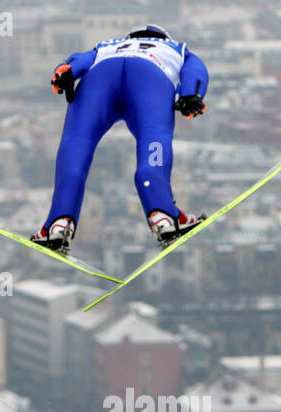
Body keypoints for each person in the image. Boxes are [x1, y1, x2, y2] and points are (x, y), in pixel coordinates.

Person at [31, 23, 208, 252]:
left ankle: (58, 224)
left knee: (77, 143)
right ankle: (163, 215)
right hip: (150, 78)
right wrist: (191, 95)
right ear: (163, 36)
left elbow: (79, 60)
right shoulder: (177, 47)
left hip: (99, 78)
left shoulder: (107, 45)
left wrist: (66, 72)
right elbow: (196, 69)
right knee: (153, 138)